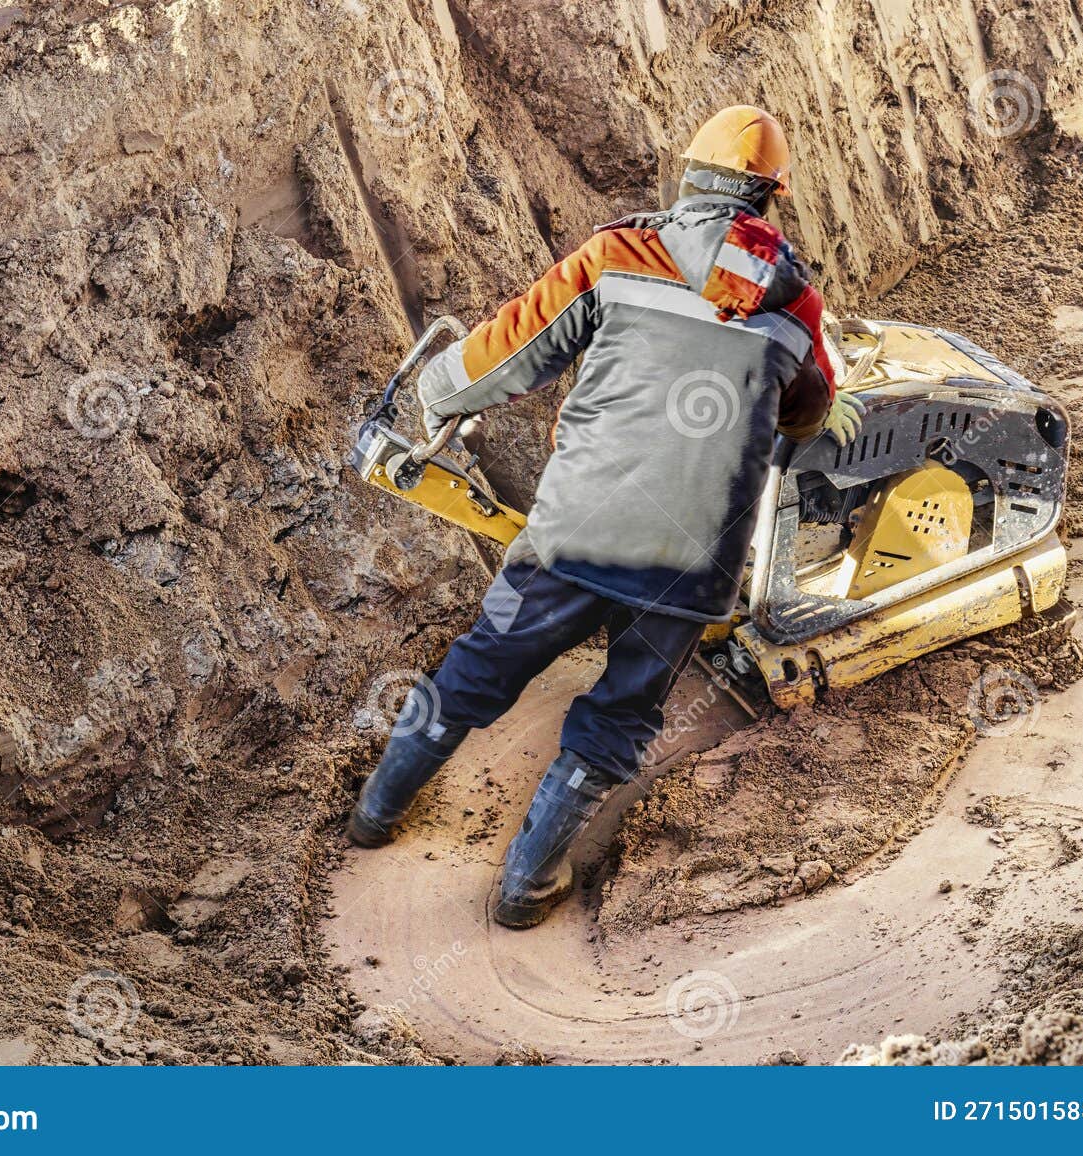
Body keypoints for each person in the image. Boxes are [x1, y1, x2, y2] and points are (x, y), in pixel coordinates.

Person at [348, 105, 865, 928]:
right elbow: (806, 418)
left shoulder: (618, 256)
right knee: (622, 713)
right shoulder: (797, 305)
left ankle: (375, 815)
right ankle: (525, 888)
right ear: (768, 201)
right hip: (694, 563)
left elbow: (502, 357)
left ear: (689, 180)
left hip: (576, 533)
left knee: (481, 666)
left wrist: (436, 389)